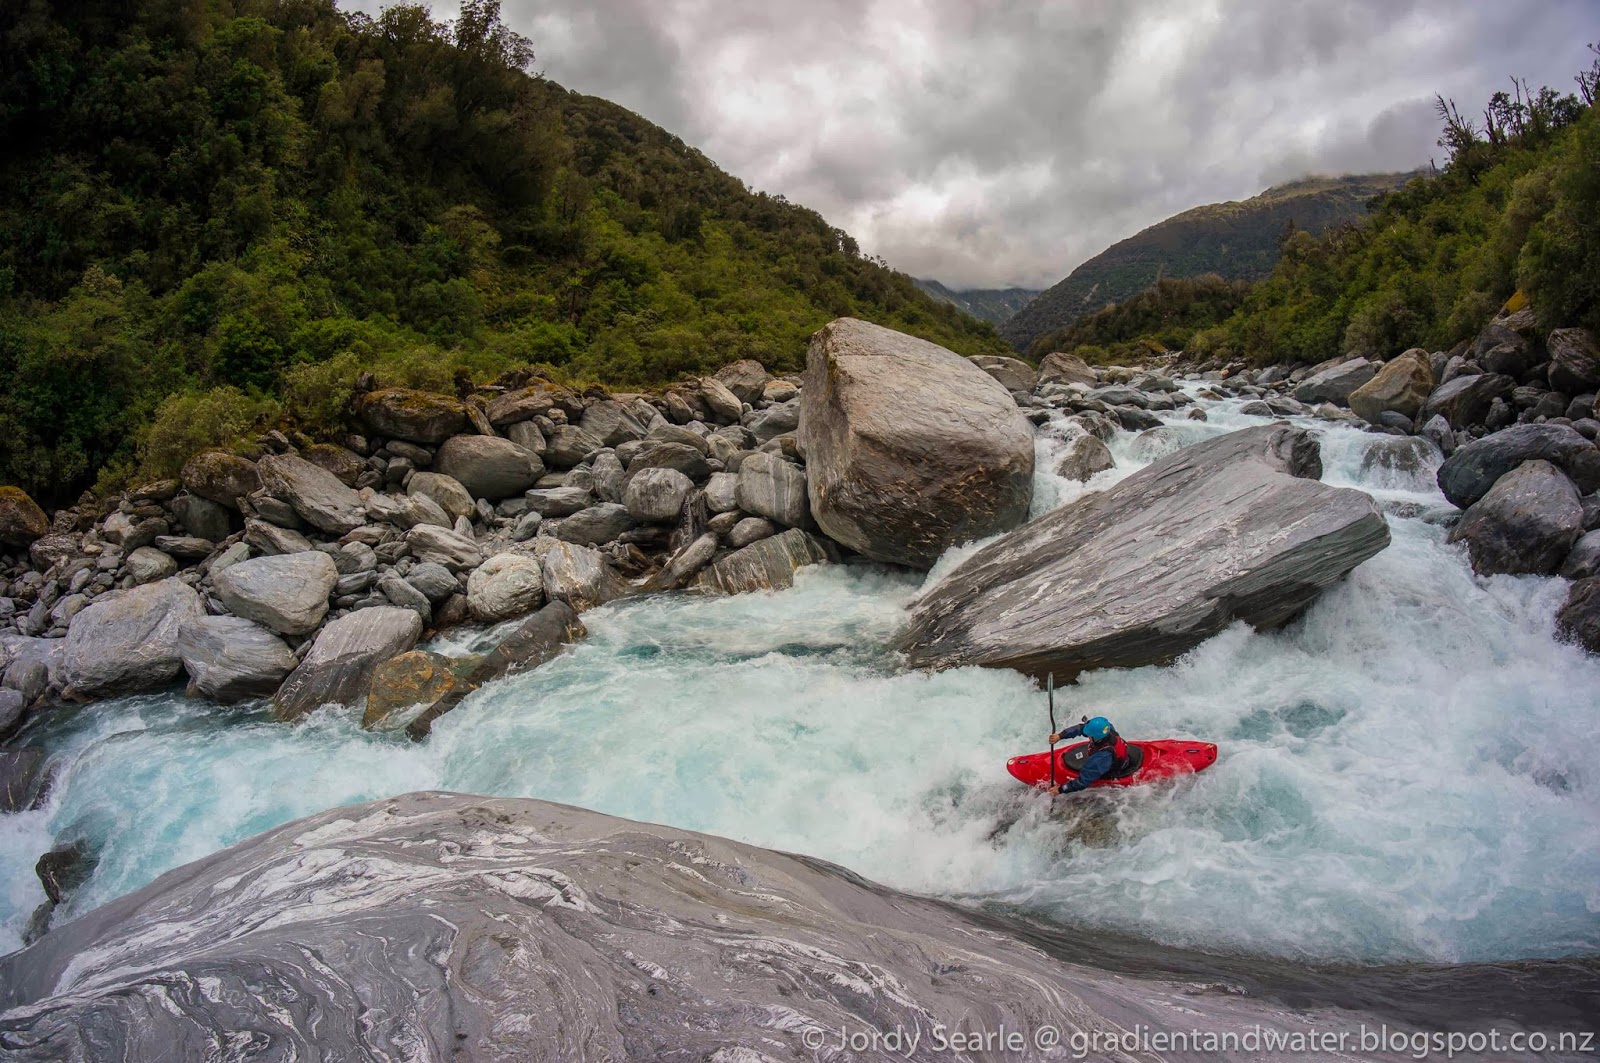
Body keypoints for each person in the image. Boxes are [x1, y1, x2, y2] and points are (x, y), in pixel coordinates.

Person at [1044, 716, 1132, 795]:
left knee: (1090, 770)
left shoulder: (1100, 758)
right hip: (1114, 758)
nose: (1088, 736)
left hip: (1110, 768)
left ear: (1096, 738)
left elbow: (1082, 782)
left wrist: (1060, 789)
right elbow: (1080, 728)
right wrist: (1060, 736)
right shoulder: (1106, 730)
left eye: (1089, 735)